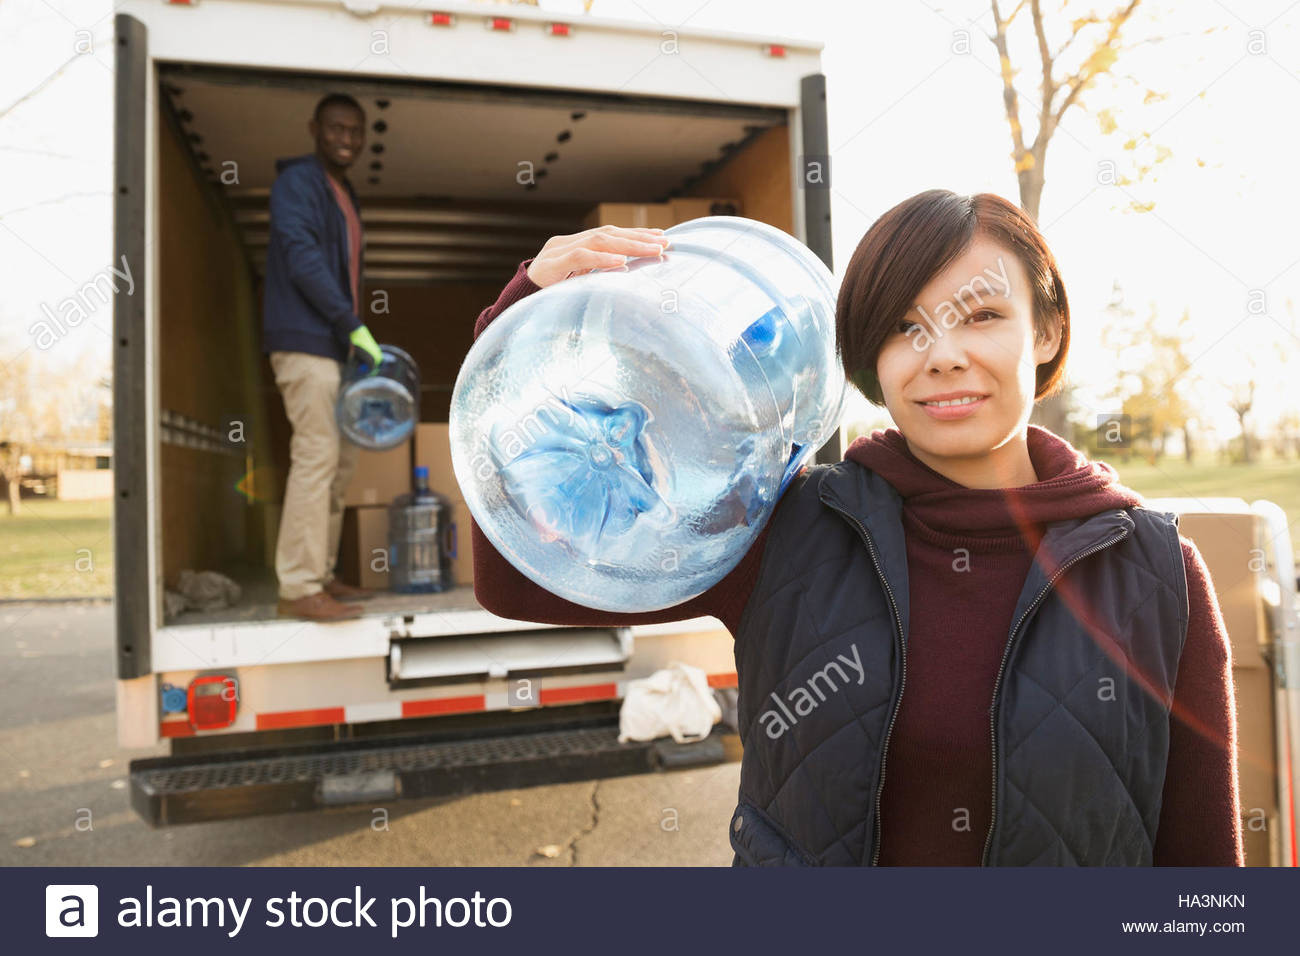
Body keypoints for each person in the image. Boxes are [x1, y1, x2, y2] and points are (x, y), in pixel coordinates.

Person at [468, 194, 1244, 866]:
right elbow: (514, 581)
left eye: (981, 316)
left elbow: (1201, 869)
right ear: (869, 357)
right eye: (905, 326)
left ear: (1045, 334)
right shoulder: (791, 531)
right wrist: (521, 312)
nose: (941, 356)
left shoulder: (1156, 575)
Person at [262, 92, 385, 622]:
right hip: (304, 340)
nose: (348, 139)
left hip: (334, 344)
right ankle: (298, 586)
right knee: (316, 455)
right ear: (314, 128)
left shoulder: (343, 192)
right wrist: (349, 322)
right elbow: (301, 256)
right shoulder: (298, 183)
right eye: (337, 128)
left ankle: (321, 571)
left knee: (341, 462)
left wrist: (351, 334)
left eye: (357, 131)